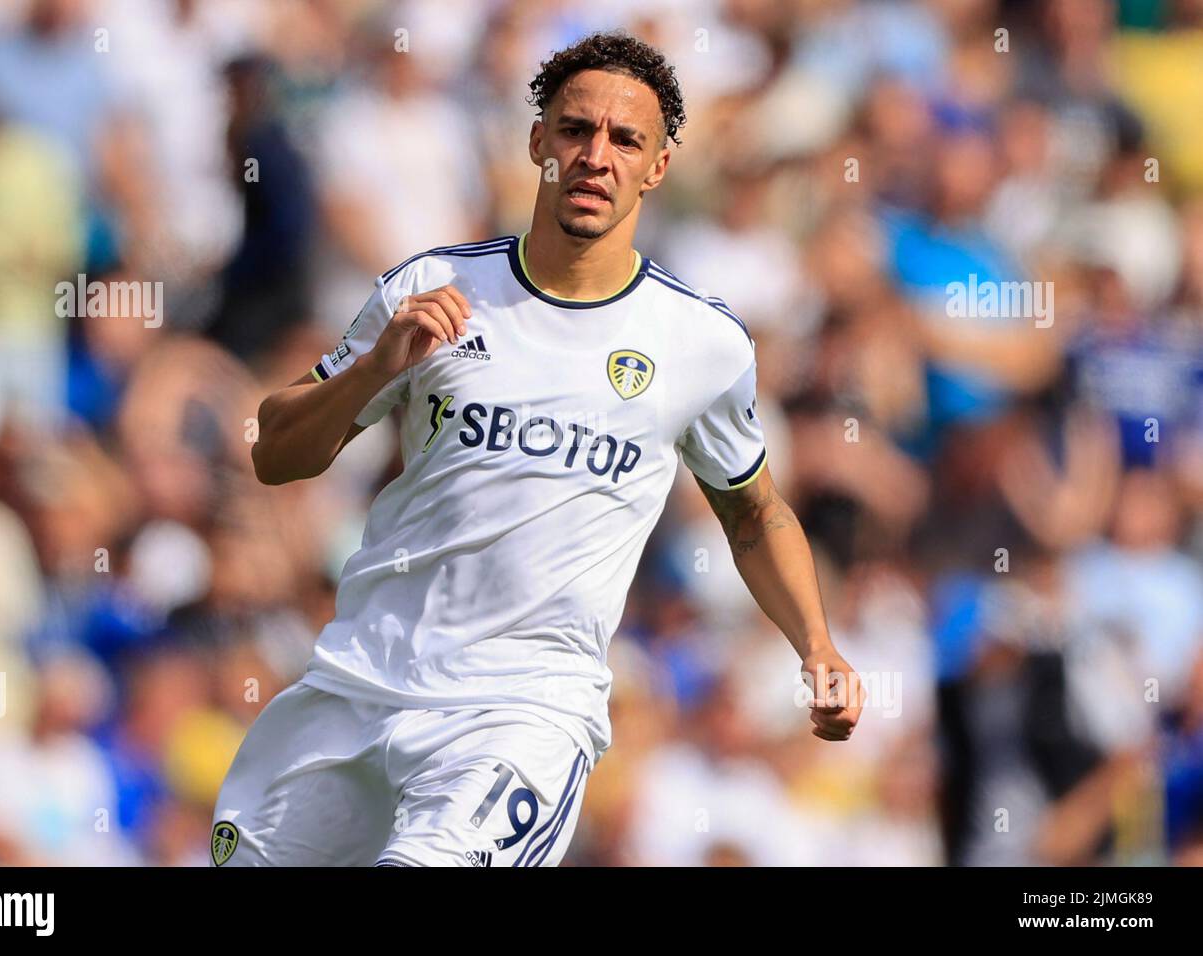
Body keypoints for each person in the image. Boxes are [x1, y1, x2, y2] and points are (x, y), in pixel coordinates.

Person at [211, 31, 863, 868]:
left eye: (625, 139)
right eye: (574, 130)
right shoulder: (432, 289)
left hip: (519, 714)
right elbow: (274, 450)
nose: (596, 156)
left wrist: (817, 645)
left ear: (658, 165)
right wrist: (374, 370)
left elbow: (753, 515)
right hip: (357, 680)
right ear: (536, 143)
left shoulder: (699, 342)